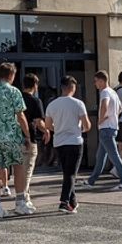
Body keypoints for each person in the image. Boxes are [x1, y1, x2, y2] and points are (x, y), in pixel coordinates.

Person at [0, 62, 32, 218]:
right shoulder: (14, 91)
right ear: (12, 75)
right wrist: (27, 135)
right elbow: (20, 115)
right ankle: (20, 203)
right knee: (18, 167)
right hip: (11, 136)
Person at [43, 76, 91, 213]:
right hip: (75, 141)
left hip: (59, 142)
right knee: (71, 173)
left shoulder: (52, 105)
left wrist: (58, 128)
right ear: (73, 87)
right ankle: (64, 202)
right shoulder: (78, 104)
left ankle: (72, 201)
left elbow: (47, 125)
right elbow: (87, 125)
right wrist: (78, 129)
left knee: (67, 173)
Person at [85, 71, 122, 190]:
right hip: (112, 126)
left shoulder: (105, 92)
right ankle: (91, 181)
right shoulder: (113, 92)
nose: (95, 84)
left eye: (96, 81)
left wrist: (101, 119)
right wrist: (113, 116)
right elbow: (120, 107)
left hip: (106, 128)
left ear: (101, 81)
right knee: (100, 157)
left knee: (114, 156)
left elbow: (104, 105)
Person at [21, 73, 45, 207]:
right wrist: (47, 130)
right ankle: (24, 198)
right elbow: (38, 121)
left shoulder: (16, 98)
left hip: (15, 138)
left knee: (20, 170)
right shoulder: (35, 101)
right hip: (29, 139)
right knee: (27, 170)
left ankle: (23, 196)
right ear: (35, 85)